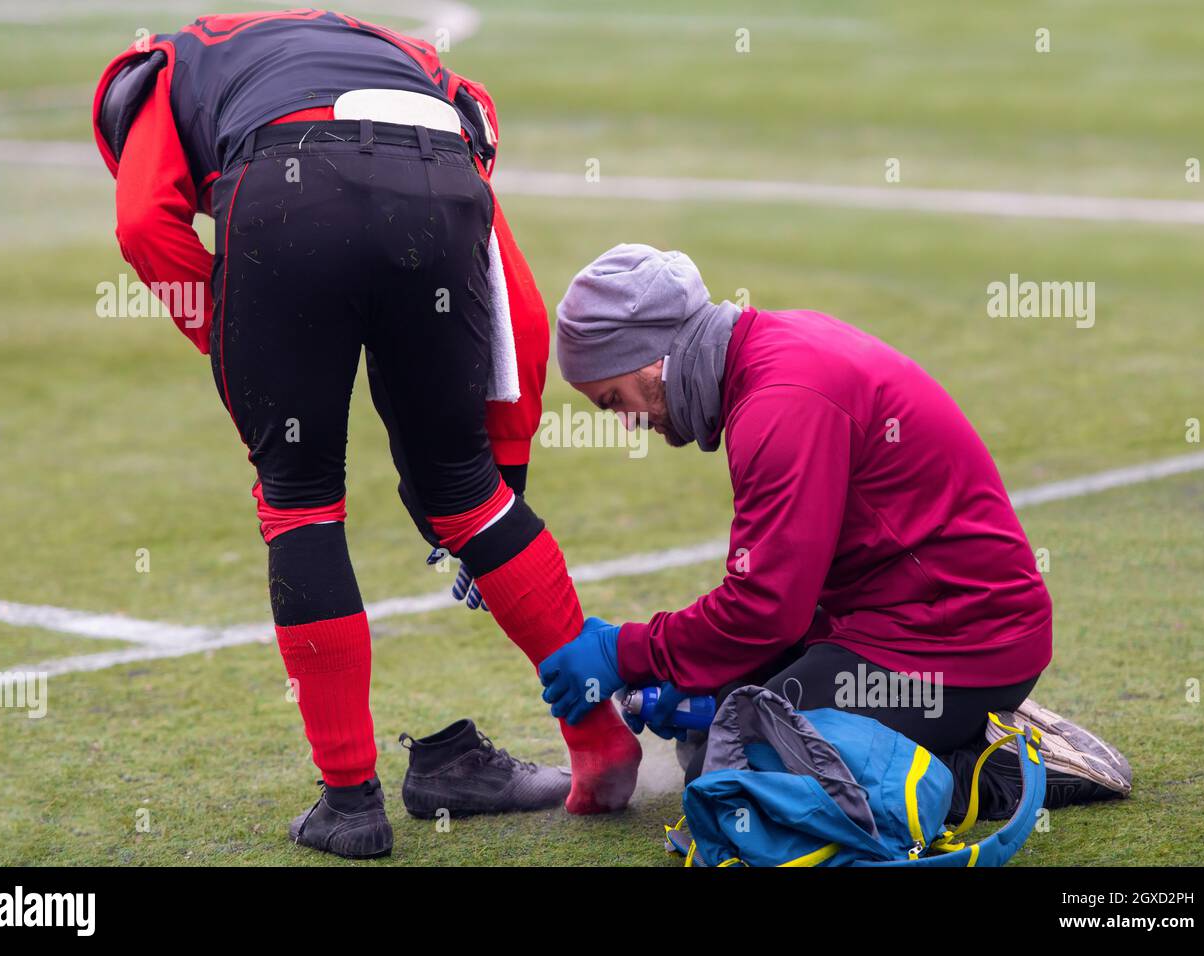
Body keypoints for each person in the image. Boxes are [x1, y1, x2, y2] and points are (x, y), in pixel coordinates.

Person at [92, 11, 640, 859]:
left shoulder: (166, 66)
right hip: (441, 193)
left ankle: (351, 804)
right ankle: (601, 740)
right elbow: (516, 309)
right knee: (469, 497)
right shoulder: (427, 86)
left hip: (285, 195)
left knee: (301, 505)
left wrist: (235, 327)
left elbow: (142, 225)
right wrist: (507, 470)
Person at [539, 243, 1131, 820]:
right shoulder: (768, 355)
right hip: (901, 620)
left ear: (654, 360)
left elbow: (767, 610)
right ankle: (961, 724)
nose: (627, 424)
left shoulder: (779, 403)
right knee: (716, 717)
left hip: (961, 643)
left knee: (738, 771)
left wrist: (629, 650)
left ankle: (989, 764)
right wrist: (684, 672)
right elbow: (787, 593)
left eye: (615, 400)